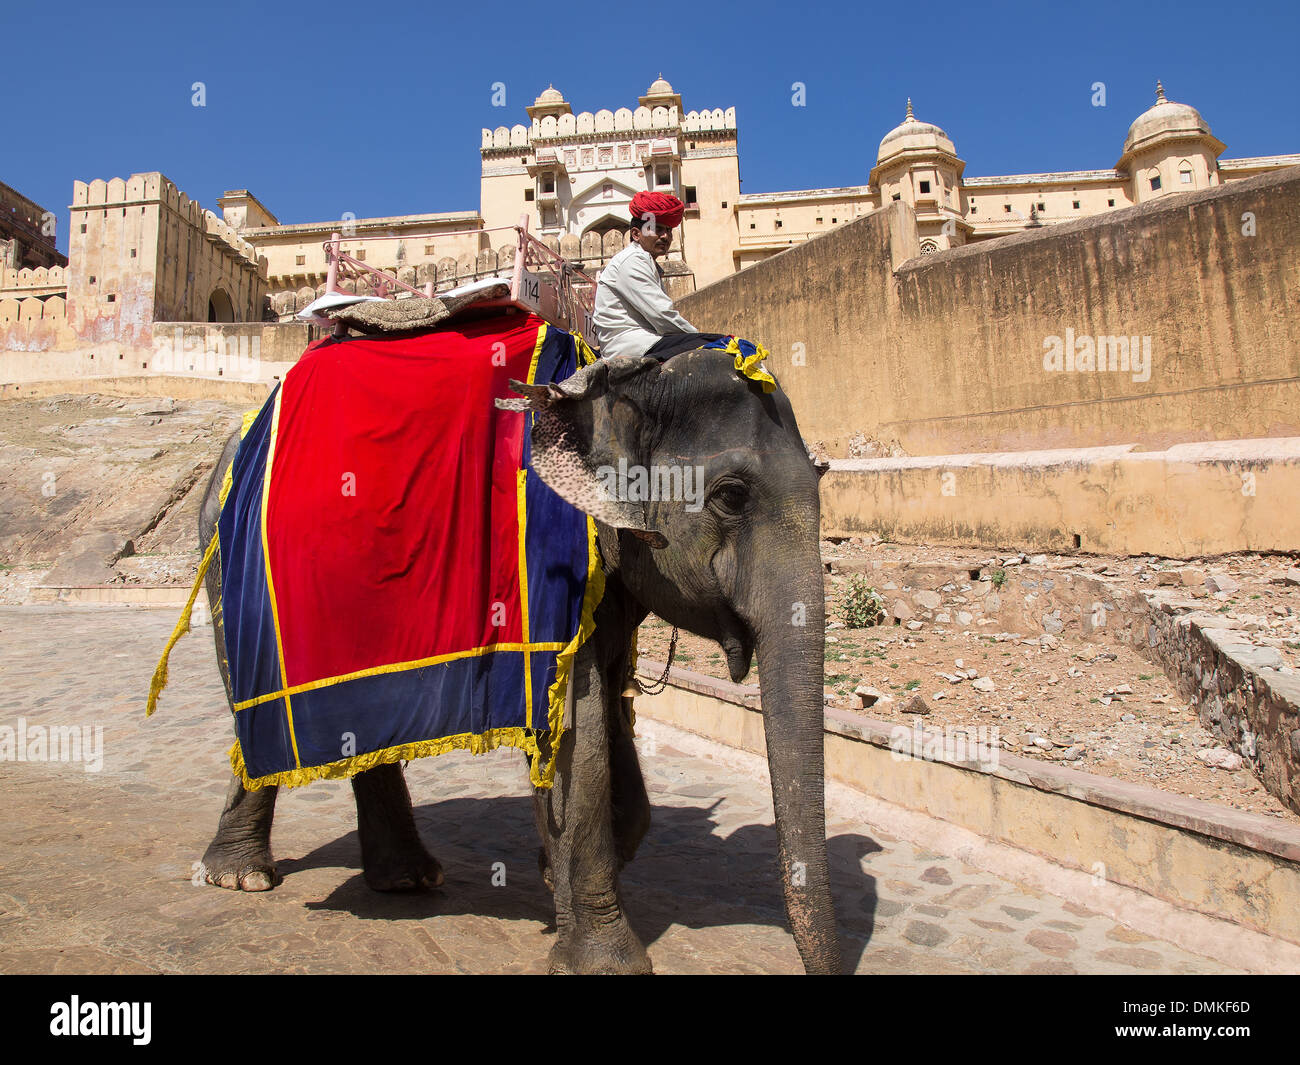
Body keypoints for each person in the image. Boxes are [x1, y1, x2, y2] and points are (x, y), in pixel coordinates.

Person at [592, 191, 727, 360]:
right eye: (657, 229)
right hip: (632, 344)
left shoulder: (646, 262)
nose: (665, 236)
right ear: (636, 234)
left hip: (647, 340)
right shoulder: (632, 260)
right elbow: (662, 315)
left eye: (668, 230)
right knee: (723, 345)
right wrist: (700, 339)